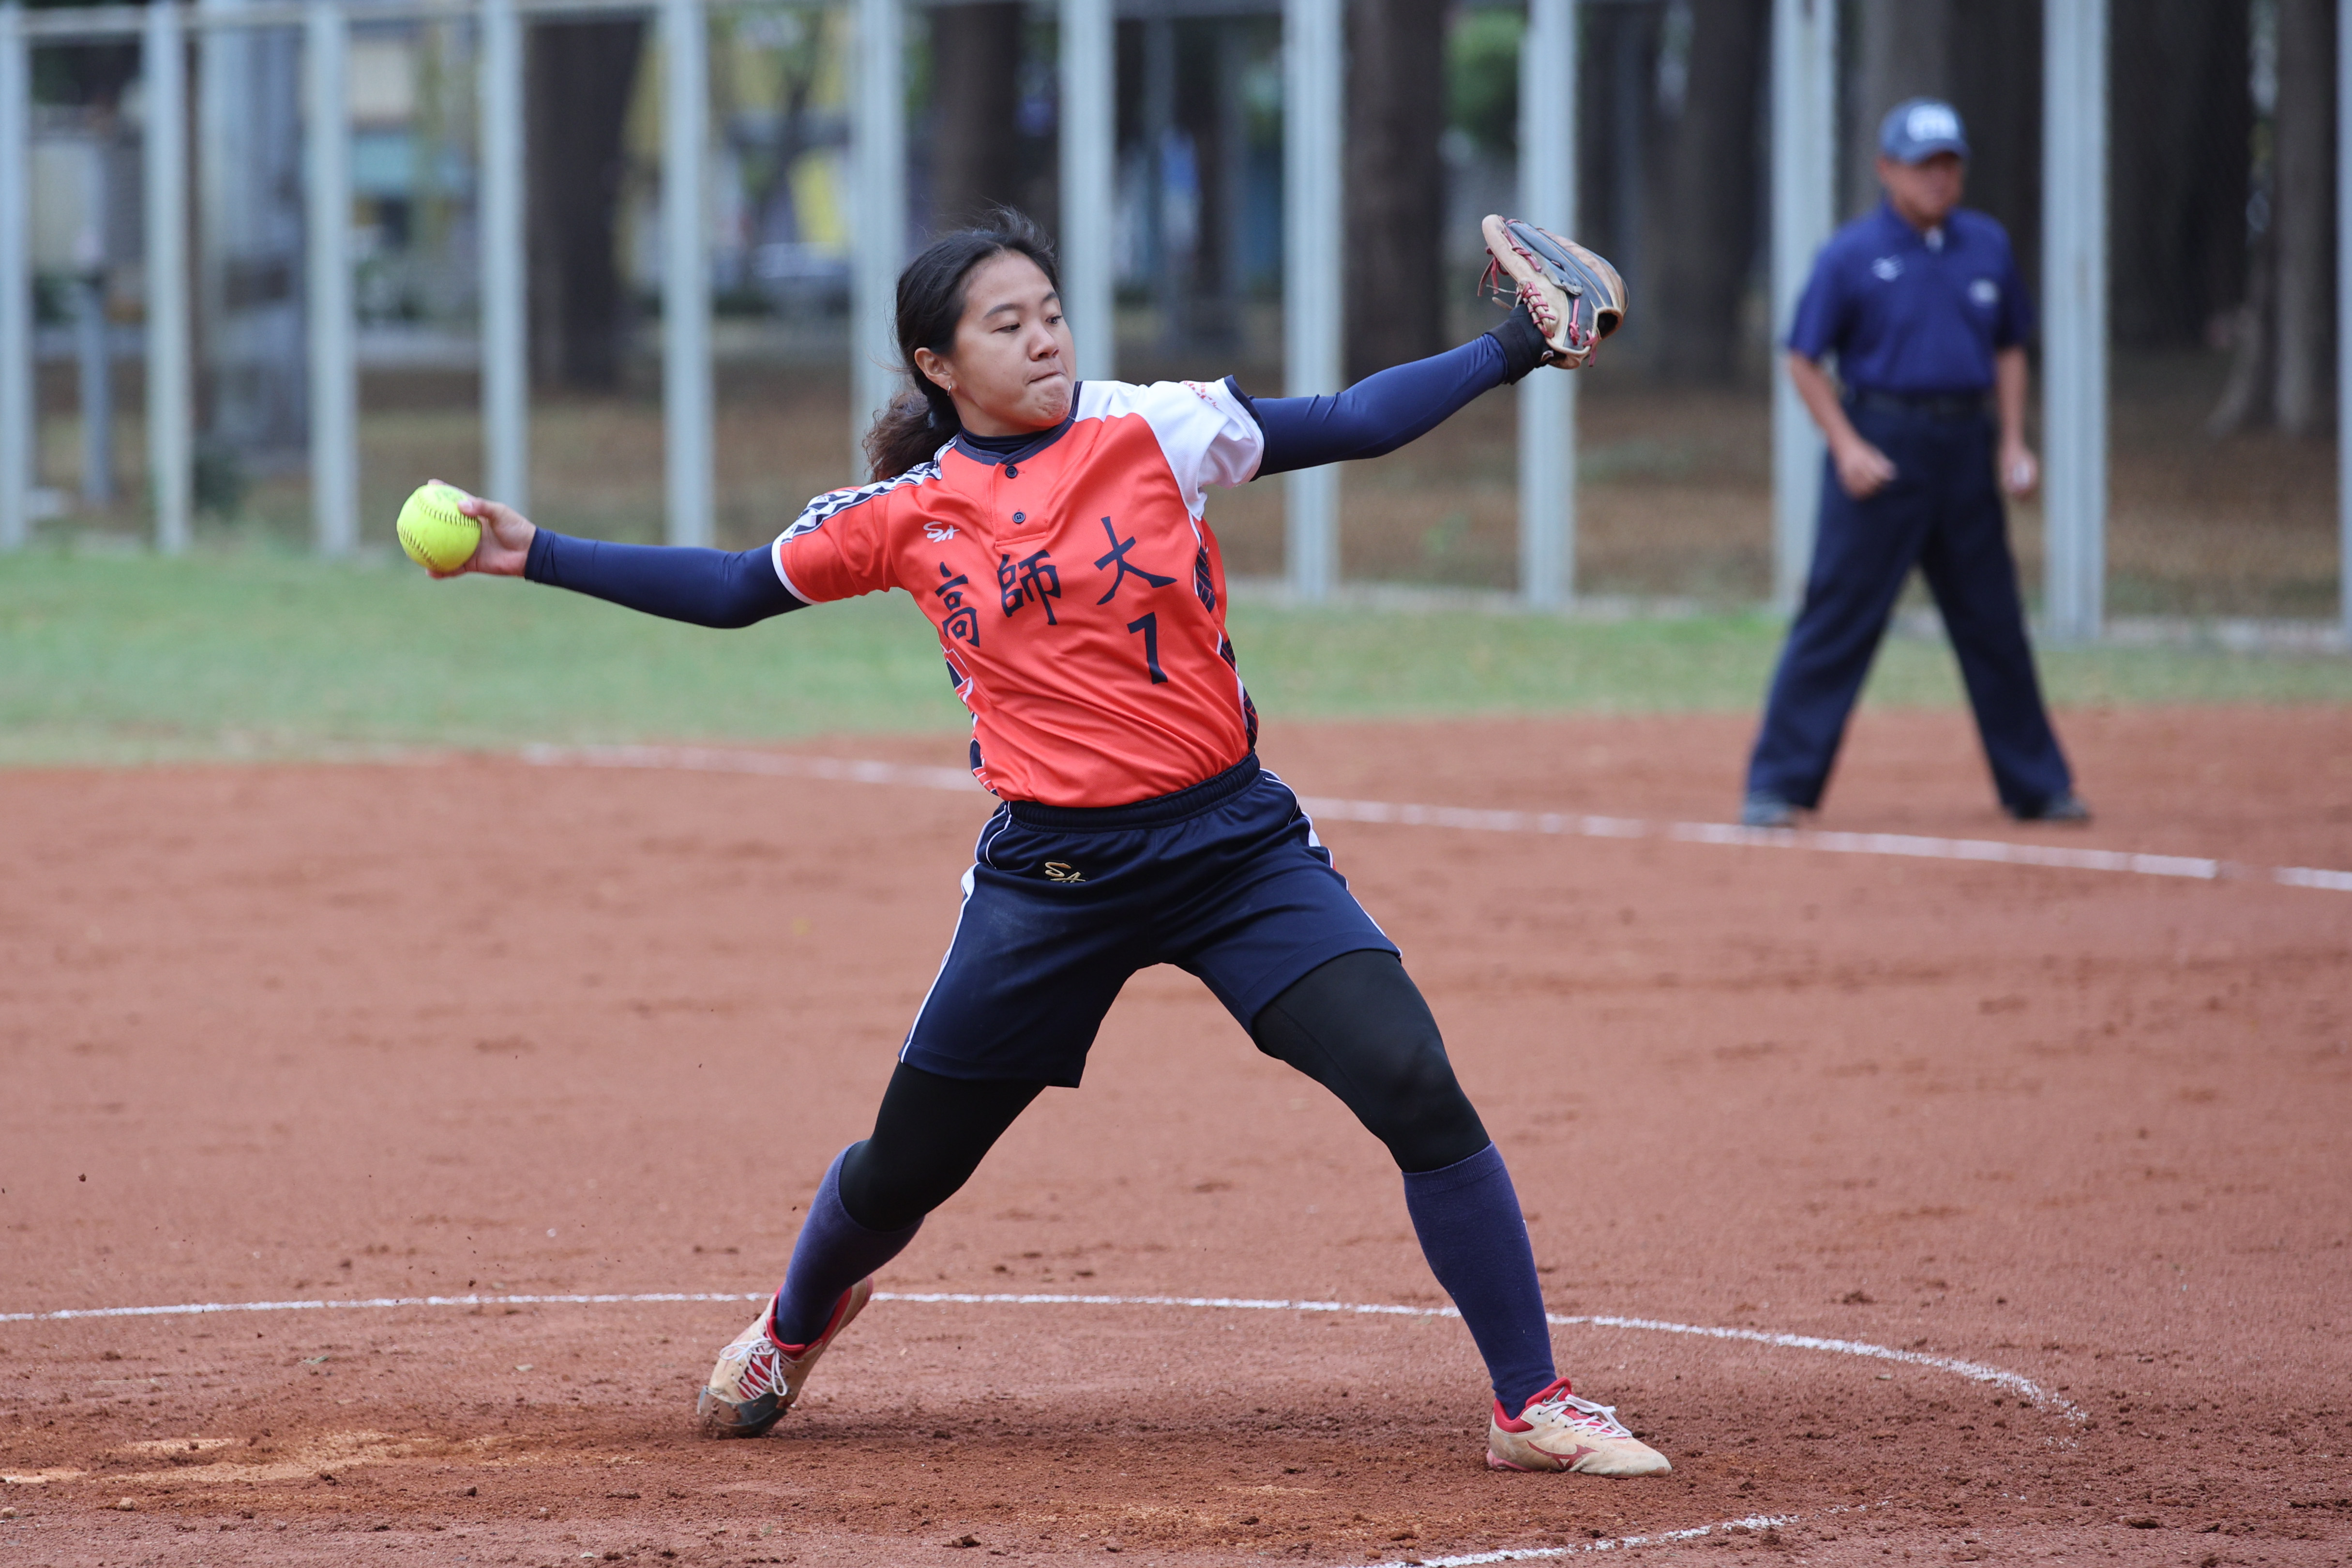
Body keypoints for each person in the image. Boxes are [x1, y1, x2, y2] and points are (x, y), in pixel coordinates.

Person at [429, 211, 1669, 1478]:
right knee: (906, 1168)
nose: (1042, 339)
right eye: (1004, 324)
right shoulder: (907, 512)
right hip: (1052, 887)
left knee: (1412, 1079)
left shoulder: (1152, 427)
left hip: (1234, 851)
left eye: (1051, 312)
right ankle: (795, 1327)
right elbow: (738, 587)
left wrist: (1516, 345)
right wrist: (535, 555)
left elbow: (1351, 420)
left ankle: (1531, 1404)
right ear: (934, 365)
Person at [1741, 99, 2089, 829]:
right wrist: (1846, 444)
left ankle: (2036, 785)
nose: (1938, 178)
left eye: (1949, 164)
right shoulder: (1852, 254)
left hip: (1965, 445)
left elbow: (2009, 346)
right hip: (1882, 445)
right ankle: (1778, 785)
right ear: (1886, 169)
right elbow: (1803, 358)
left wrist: (2013, 442)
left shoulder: (1986, 246)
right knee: (1838, 617)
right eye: (1924, 164)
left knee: (1993, 620)